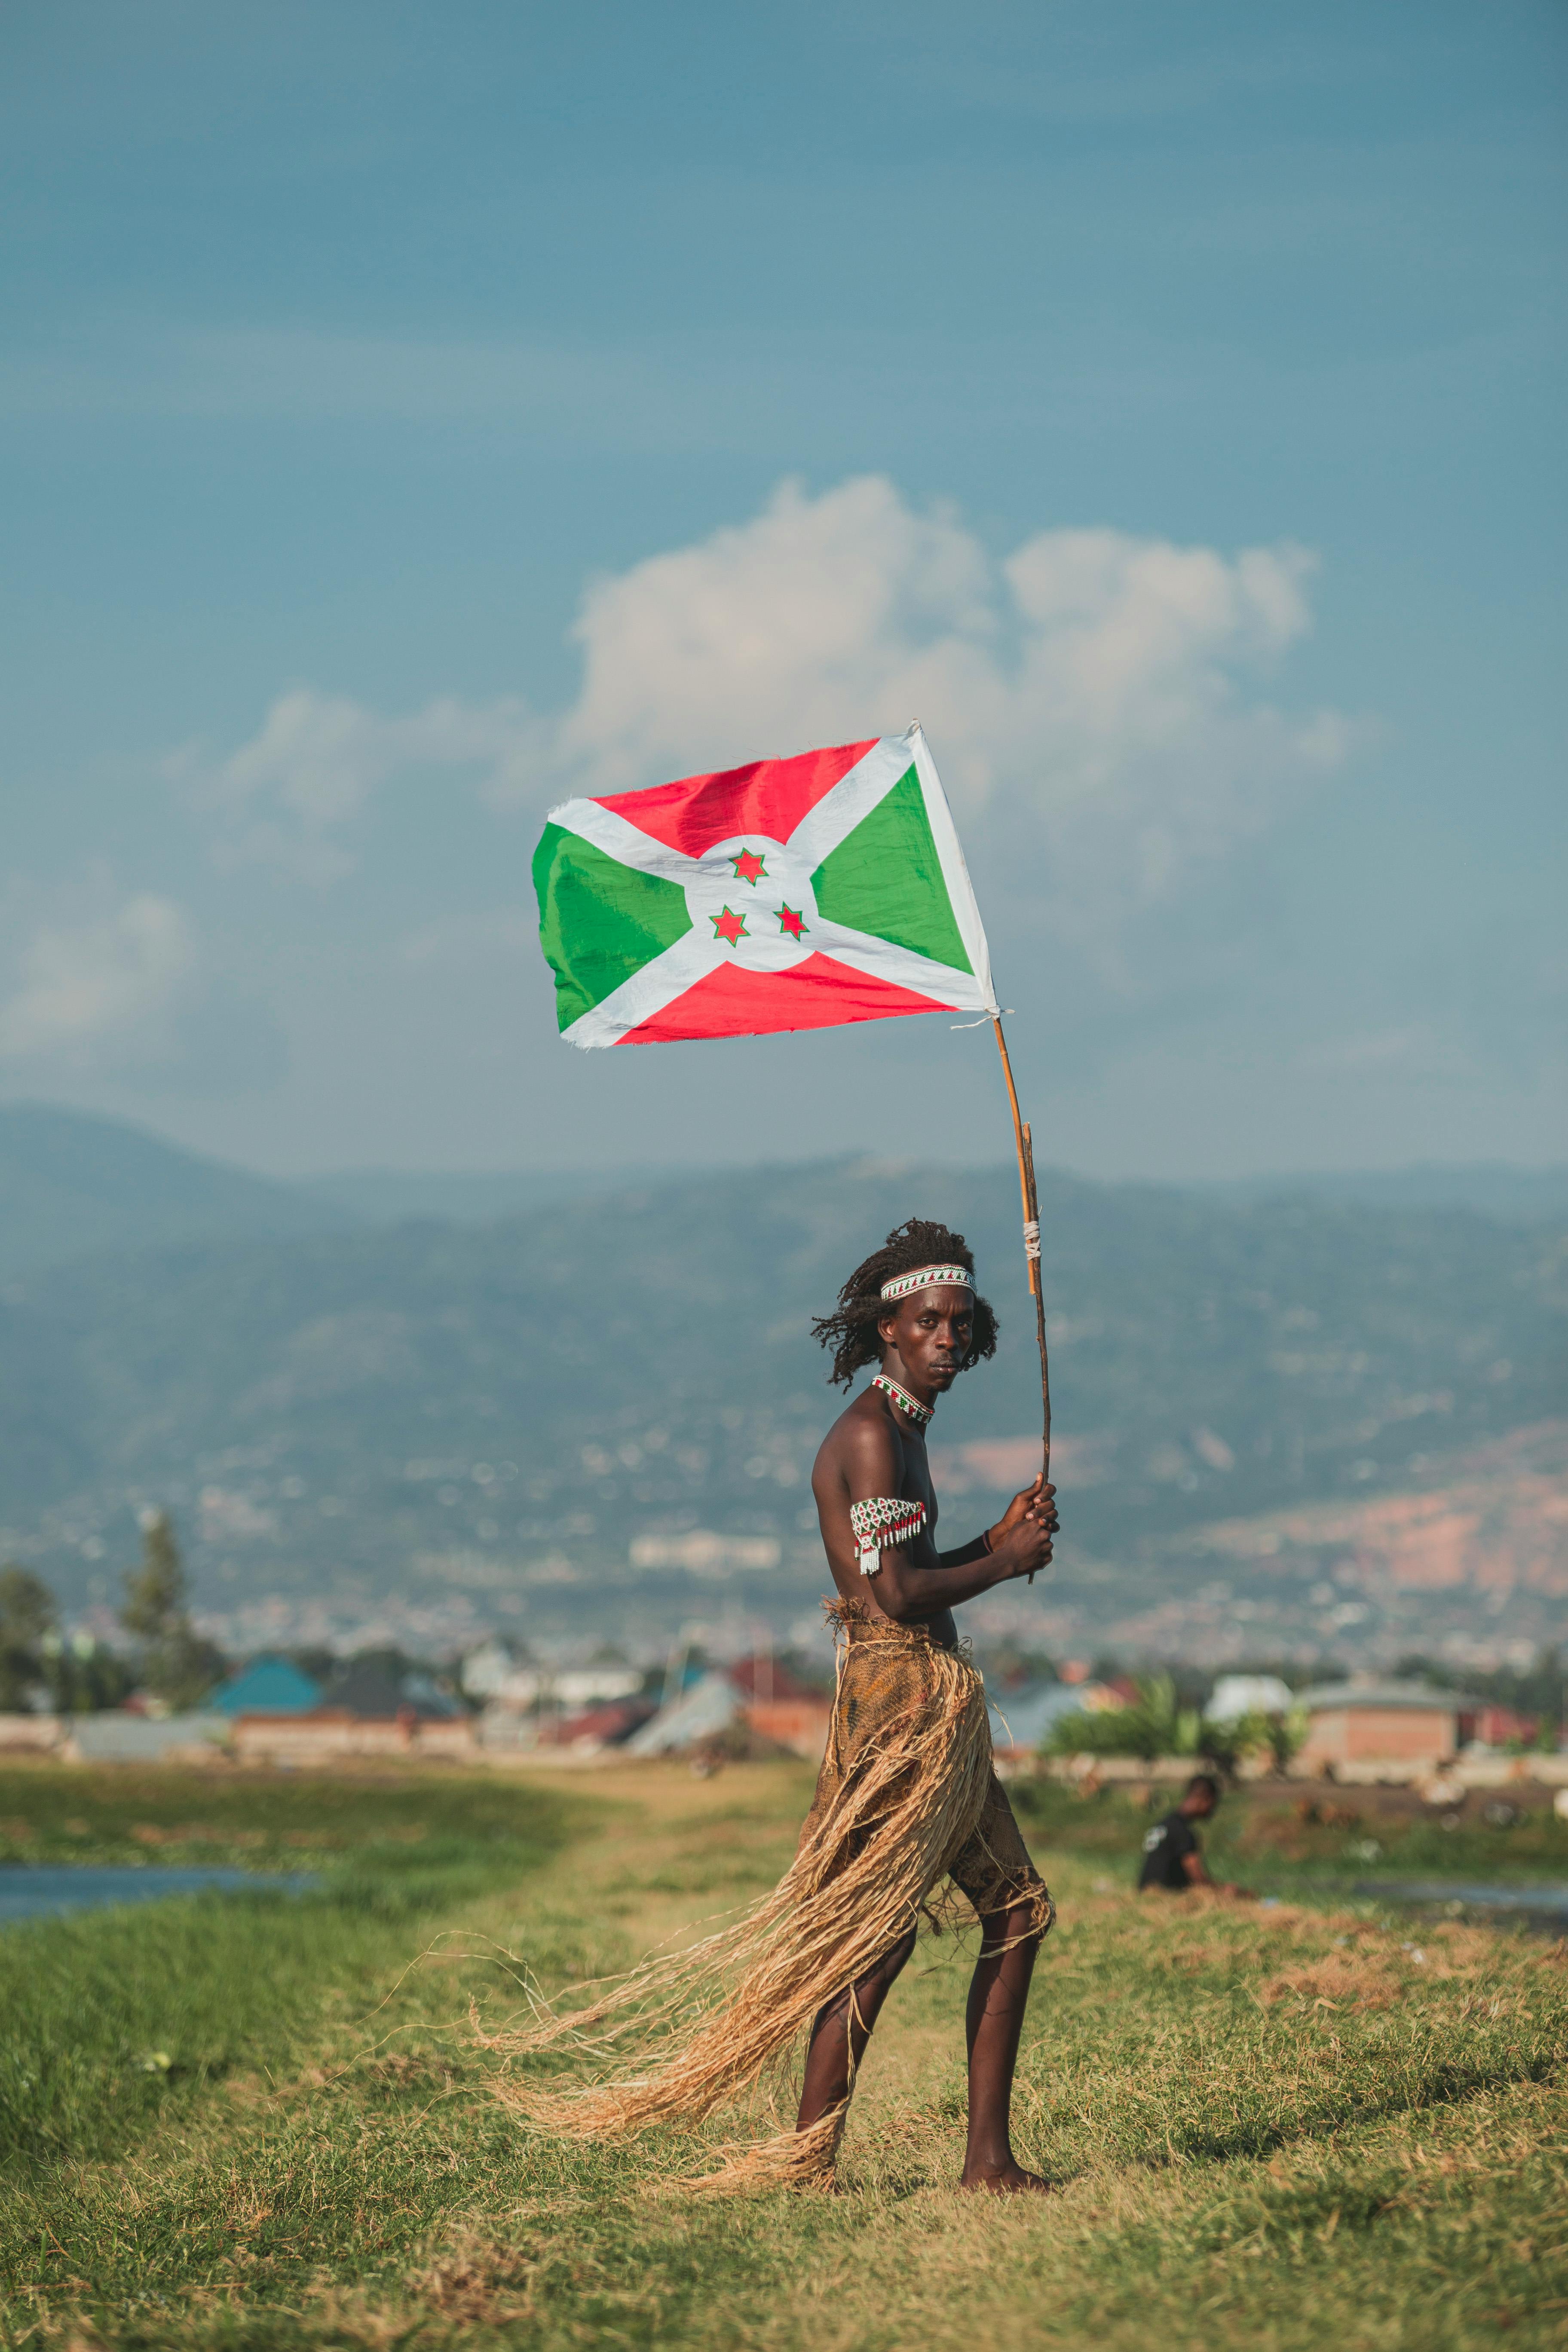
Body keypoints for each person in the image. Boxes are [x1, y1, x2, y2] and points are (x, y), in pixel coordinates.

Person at [490, 1217, 1058, 2193]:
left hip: (930, 1708)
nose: (947, 1337)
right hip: (899, 1708)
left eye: (961, 1323)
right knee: (876, 1935)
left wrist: (992, 1539)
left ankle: (985, 2160)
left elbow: (912, 1570)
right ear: (888, 1326)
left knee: (1013, 1910)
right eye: (929, 1320)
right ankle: (811, 2158)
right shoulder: (872, 1436)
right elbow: (893, 1597)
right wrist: (1004, 1561)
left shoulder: (901, 1428)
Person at [1138, 1773, 1247, 1895]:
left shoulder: (1165, 1824)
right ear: (1205, 1799)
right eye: (1213, 1803)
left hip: (1147, 1893)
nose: (1212, 1809)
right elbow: (1198, 1878)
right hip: (1167, 1895)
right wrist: (1225, 1891)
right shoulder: (1182, 1832)